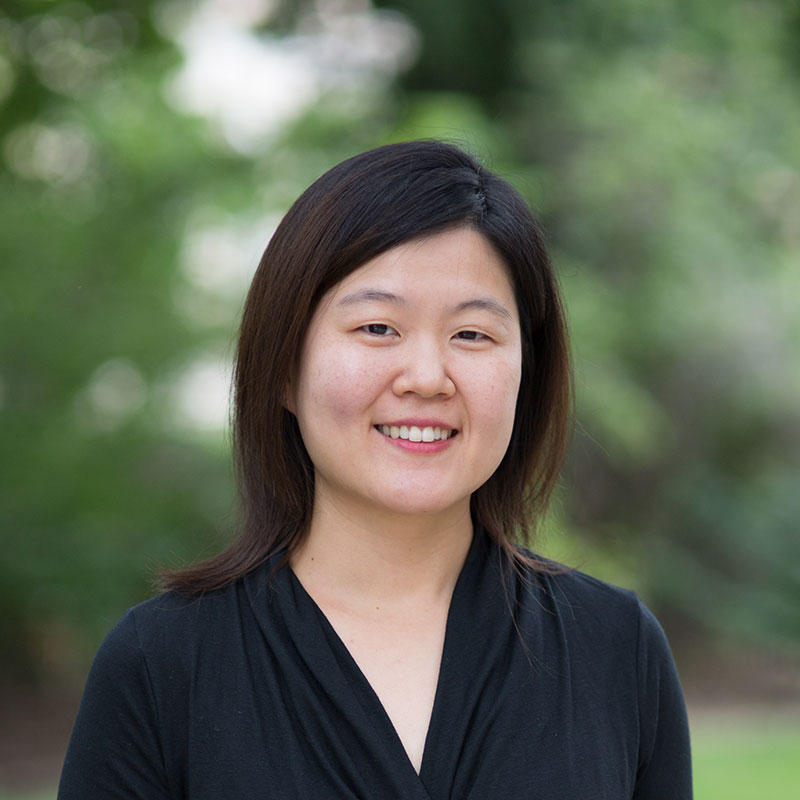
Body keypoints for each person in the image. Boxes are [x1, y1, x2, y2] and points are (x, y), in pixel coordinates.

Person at [58, 140, 692, 798]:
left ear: (526, 374)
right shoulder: (161, 665)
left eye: (472, 335)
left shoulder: (617, 649)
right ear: (283, 368)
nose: (427, 377)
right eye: (378, 328)